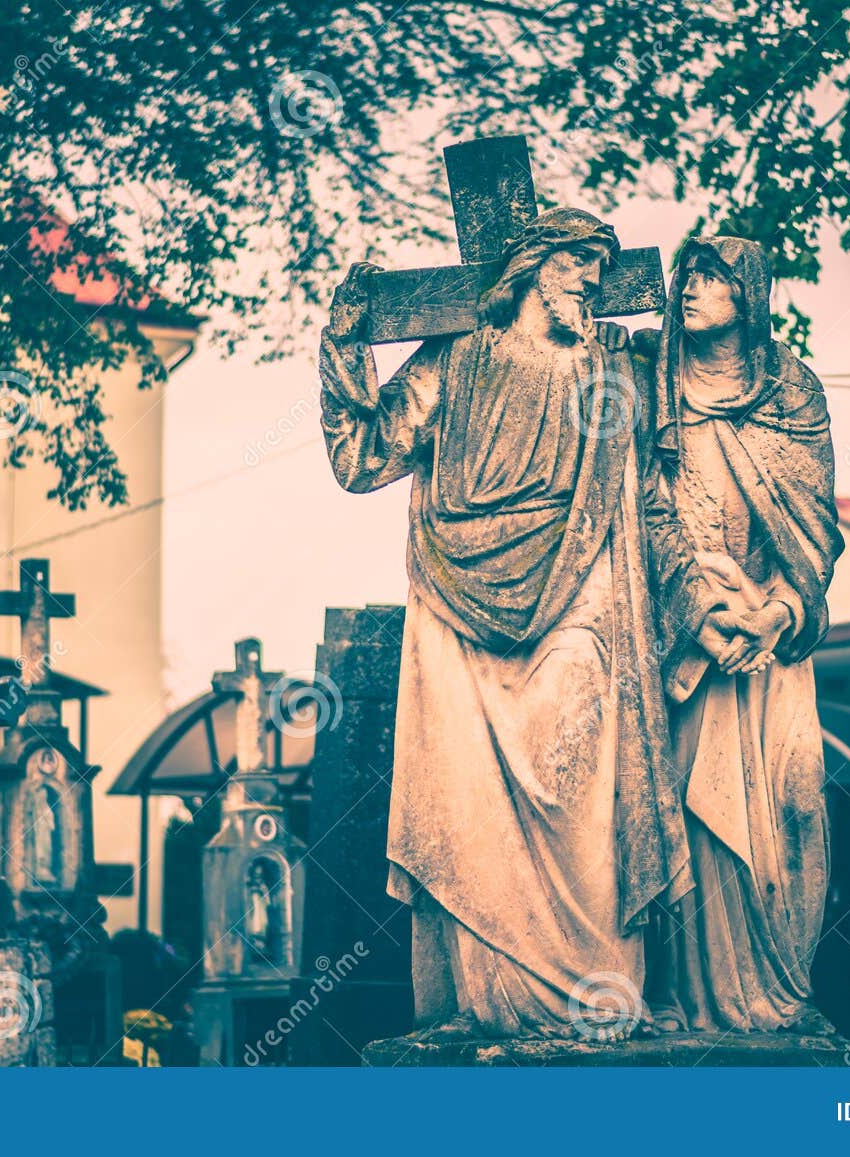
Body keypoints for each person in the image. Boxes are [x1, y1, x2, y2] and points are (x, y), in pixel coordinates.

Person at [319, 209, 718, 1040]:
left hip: (579, 602)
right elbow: (364, 456)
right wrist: (346, 346)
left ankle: (595, 982)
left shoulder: (612, 373)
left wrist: (694, 597)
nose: (591, 281)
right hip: (459, 605)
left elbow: (645, 497)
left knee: (582, 779)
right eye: (575, 262)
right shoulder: (456, 357)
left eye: (600, 268)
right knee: (469, 805)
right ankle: (489, 1001)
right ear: (533, 265)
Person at [636, 235, 844, 1033]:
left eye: (713, 276)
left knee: (795, 800)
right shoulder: (651, 381)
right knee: (693, 817)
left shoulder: (792, 394)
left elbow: (815, 540)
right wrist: (701, 609)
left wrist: (778, 613)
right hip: (688, 647)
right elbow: (642, 516)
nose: (692, 287)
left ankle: (779, 988)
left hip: (770, 642)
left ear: (748, 294)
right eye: (687, 274)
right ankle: (706, 1002)